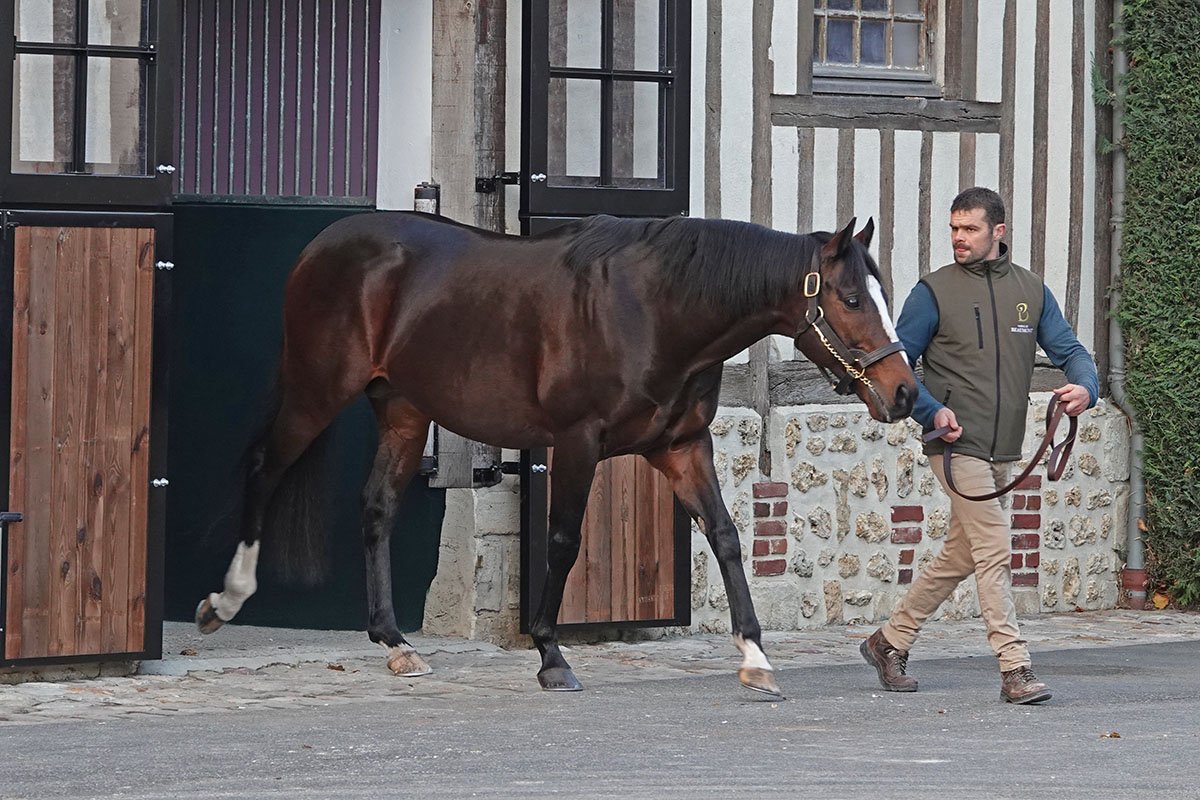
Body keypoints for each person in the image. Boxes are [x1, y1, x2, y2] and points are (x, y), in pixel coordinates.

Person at [859, 187, 1099, 704]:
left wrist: (1086, 386)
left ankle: (889, 641)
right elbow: (897, 370)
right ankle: (1015, 668)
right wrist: (930, 411)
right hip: (954, 444)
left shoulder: (1030, 291)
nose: (959, 238)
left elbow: (1071, 350)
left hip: (1004, 449)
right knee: (994, 549)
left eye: (969, 229)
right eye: (954, 228)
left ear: (998, 231)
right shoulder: (933, 291)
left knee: (961, 554)